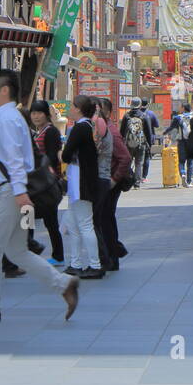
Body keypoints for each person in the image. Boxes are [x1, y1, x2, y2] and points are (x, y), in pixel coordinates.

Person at [0, 70, 79, 323]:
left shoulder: (7, 120)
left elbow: (13, 160)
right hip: (14, 192)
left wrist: (19, 193)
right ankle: (63, 283)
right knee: (17, 250)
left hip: (11, 194)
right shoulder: (8, 118)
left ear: (4, 91)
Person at [60, 96, 103, 280]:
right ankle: (76, 263)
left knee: (84, 224)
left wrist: (61, 153)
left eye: (72, 106)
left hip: (81, 183)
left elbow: (66, 154)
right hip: (81, 181)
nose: (70, 109)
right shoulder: (87, 127)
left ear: (78, 109)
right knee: (74, 224)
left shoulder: (80, 128)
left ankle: (94, 264)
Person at [93, 98, 131, 270]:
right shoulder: (102, 128)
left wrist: (114, 180)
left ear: (107, 113)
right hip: (106, 180)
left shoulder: (110, 131)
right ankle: (113, 254)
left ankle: (112, 254)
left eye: (97, 110)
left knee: (104, 219)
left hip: (110, 182)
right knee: (105, 219)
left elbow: (125, 158)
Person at [27, 101, 65, 264]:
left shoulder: (51, 132)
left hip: (47, 185)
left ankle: (58, 255)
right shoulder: (38, 132)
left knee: (50, 221)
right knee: (27, 217)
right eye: (33, 113)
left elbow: (50, 156)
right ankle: (28, 248)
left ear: (46, 114)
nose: (35, 116)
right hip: (36, 183)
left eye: (39, 113)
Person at [121, 98, 152, 188]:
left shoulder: (126, 116)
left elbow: (122, 131)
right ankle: (137, 183)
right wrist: (149, 144)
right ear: (140, 104)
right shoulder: (144, 116)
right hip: (140, 144)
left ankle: (128, 179)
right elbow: (148, 132)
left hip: (128, 143)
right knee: (139, 163)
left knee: (128, 162)